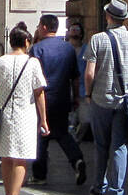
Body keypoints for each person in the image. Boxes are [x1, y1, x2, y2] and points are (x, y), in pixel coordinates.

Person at [83, 0, 128, 195]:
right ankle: (116, 191)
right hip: (126, 101)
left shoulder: (97, 39)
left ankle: (99, 187)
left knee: (101, 145)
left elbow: (89, 73)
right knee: (119, 146)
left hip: (101, 100)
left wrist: (88, 94)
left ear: (108, 16)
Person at [0, 26, 49, 195]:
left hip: (4, 115)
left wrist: (3, 93)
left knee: (6, 156)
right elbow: (39, 92)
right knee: (21, 158)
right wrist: (43, 120)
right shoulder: (32, 63)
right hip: (25, 116)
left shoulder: (0, 61)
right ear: (26, 42)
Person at [29, 15, 86, 186]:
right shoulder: (68, 49)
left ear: (45, 27)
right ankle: (77, 160)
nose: (38, 28)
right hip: (62, 98)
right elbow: (75, 77)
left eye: (39, 25)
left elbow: (31, 77)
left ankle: (39, 175)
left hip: (42, 99)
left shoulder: (37, 49)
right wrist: (75, 97)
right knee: (63, 134)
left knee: (41, 137)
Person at [68, 22, 92, 141]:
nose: (74, 31)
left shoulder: (87, 49)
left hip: (83, 90)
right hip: (66, 90)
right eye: (72, 29)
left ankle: (76, 140)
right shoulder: (64, 49)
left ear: (81, 33)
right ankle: (70, 143)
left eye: (77, 29)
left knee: (85, 120)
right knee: (69, 120)